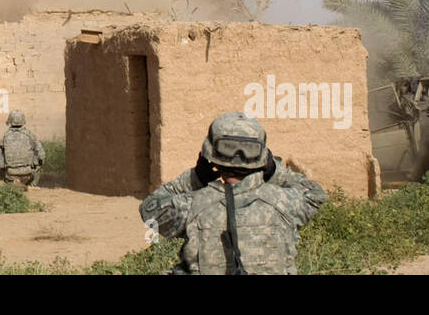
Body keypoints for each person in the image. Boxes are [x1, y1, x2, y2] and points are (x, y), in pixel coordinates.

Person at [139, 112, 326, 274]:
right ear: (262, 157)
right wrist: (275, 171)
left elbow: (150, 210)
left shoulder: (191, 206)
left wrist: (195, 178)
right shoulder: (285, 202)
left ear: (209, 155)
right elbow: (315, 194)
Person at [0, 109, 44, 187]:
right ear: (23, 120)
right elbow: (41, 155)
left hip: (10, 174)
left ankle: (10, 185)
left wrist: (3, 167)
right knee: (38, 167)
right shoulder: (31, 136)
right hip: (28, 173)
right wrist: (36, 165)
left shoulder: (5, 137)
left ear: (10, 120)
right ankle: (32, 186)